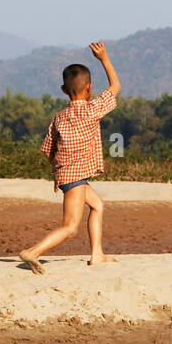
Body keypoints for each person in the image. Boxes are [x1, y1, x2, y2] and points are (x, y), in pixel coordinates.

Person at [18, 42, 121, 272]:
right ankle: (32, 252)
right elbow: (115, 86)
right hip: (75, 180)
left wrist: (59, 171)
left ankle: (97, 254)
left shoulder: (59, 117)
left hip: (70, 177)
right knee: (70, 227)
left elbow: (47, 150)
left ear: (64, 90)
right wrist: (104, 58)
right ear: (90, 88)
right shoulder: (92, 109)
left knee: (98, 205)